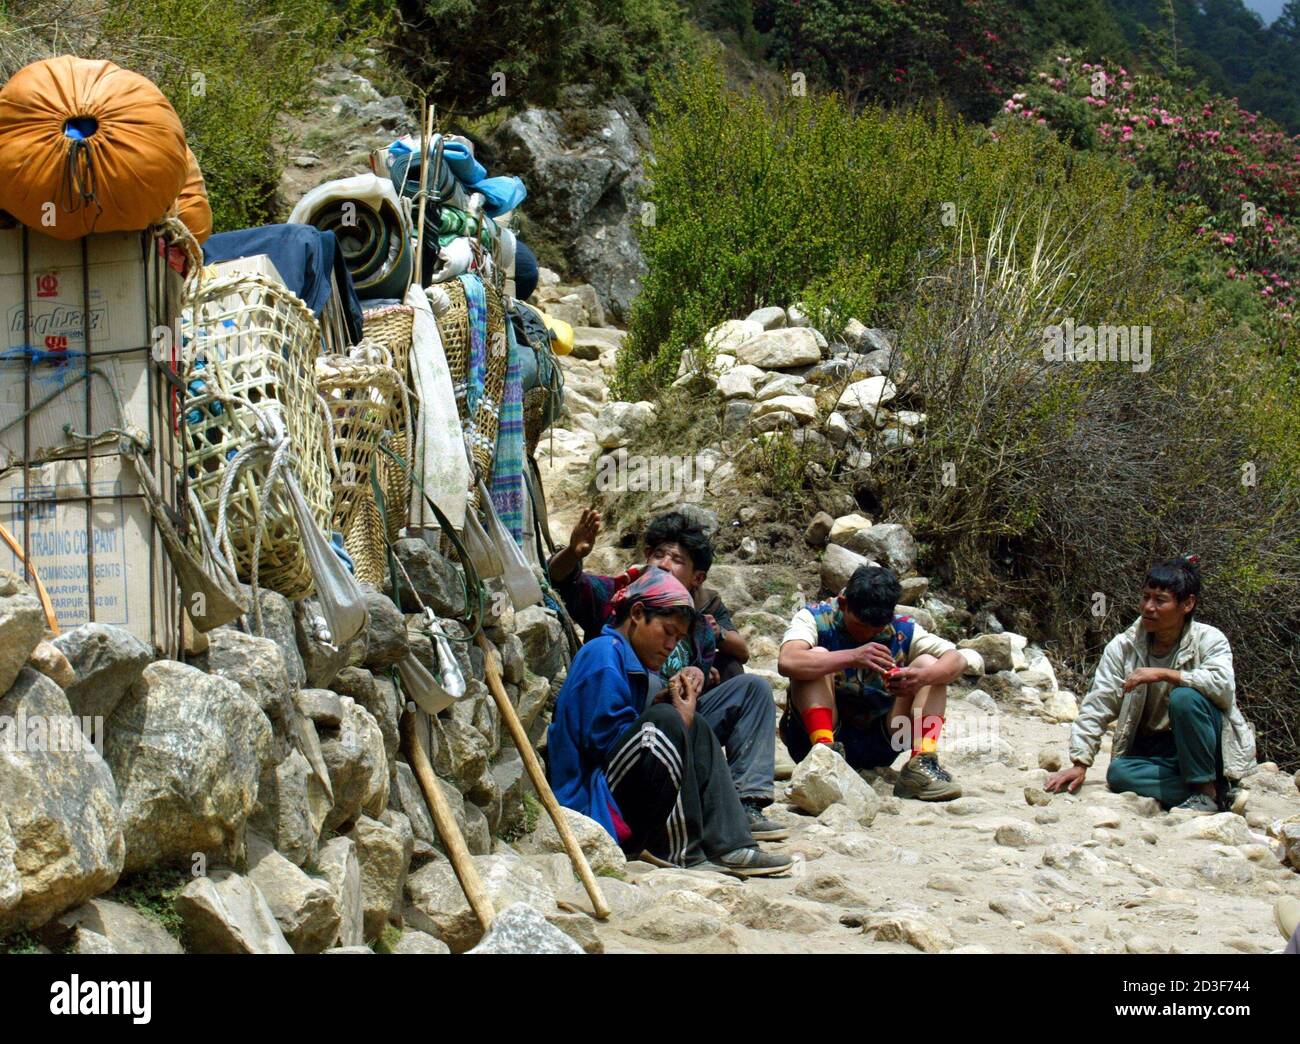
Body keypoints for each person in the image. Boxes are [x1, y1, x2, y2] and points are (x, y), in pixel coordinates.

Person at [547, 507, 784, 839]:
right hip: (635, 733)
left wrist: (695, 677)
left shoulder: (701, 626)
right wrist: (573, 553)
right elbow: (563, 581)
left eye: (676, 560)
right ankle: (697, 836)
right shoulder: (622, 597)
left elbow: (736, 653)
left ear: (697, 578)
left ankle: (747, 805)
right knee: (674, 722)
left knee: (753, 688)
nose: (662, 564)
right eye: (657, 554)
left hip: (674, 714)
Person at [1044, 556, 1253, 812]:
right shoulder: (1124, 646)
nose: (1148, 607)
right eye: (1145, 597)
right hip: (1157, 752)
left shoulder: (1210, 639)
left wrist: (1167, 674)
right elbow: (1100, 701)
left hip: (1205, 748)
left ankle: (1204, 788)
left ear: (1187, 604)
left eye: (1160, 600)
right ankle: (1215, 794)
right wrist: (1080, 761)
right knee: (1119, 774)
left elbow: (1223, 686)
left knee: (1184, 698)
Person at [778, 564, 970, 801]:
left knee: (931, 666)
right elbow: (787, 661)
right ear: (843, 603)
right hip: (813, 742)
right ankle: (826, 759)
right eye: (860, 625)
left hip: (881, 739)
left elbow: (958, 660)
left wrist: (920, 678)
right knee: (815, 655)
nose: (867, 634)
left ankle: (922, 763)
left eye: (876, 628)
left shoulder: (903, 628)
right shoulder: (815, 617)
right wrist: (851, 657)